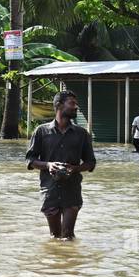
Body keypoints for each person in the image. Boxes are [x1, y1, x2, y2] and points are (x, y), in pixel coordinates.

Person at [25, 89, 96, 241]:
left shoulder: (81, 134)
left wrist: (75, 168)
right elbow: (30, 160)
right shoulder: (41, 131)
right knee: (55, 236)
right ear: (59, 105)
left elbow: (91, 162)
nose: (76, 107)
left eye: (76, 104)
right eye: (72, 103)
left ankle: (70, 262)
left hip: (72, 190)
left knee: (68, 236)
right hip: (50, 191)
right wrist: (48, 165)